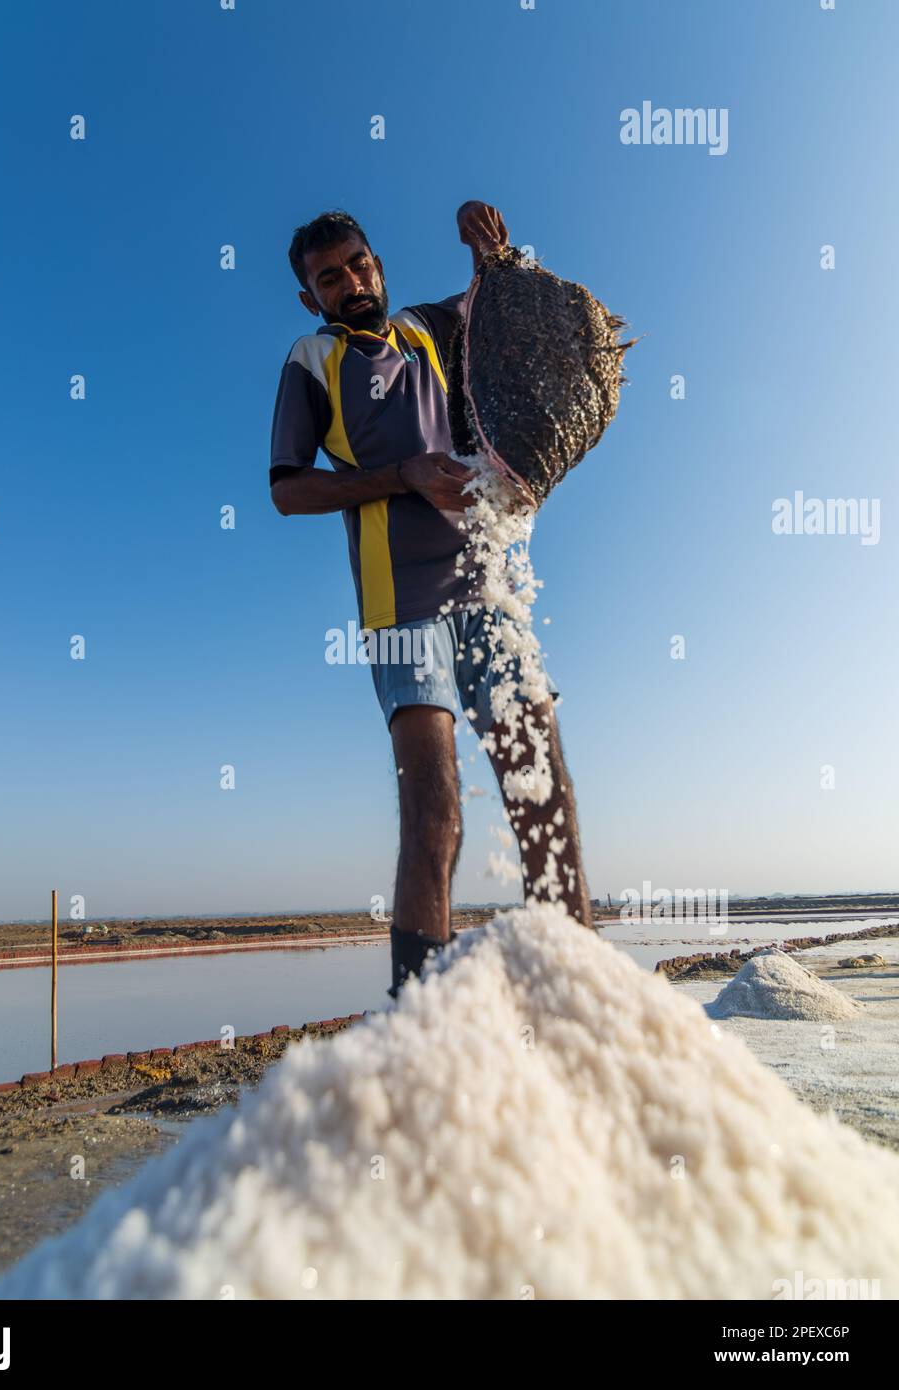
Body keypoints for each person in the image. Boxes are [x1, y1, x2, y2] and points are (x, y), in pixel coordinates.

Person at [270, 201, 591, 997]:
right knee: (435, 808)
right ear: (312, 297)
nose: (351, 283)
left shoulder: (424, 327)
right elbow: (287, 489)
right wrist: (403, 475)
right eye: (329, 278)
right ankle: (422, 1015)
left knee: (540, 778)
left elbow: (495, 310)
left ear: (378, 263)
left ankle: (579, 995)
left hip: (489, 577)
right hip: (400, 606)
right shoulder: (311, 360)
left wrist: (488, 245)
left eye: (359, 264)